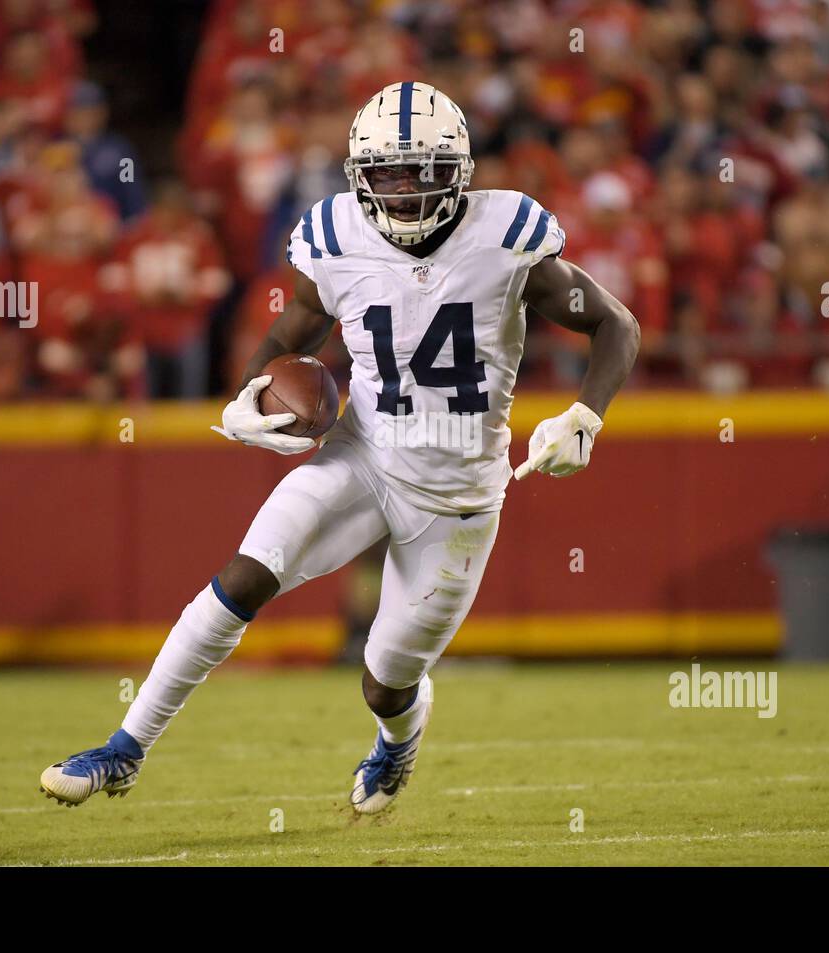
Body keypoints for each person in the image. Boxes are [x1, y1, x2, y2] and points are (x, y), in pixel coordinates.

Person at [40, 83, 641, 814]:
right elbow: (294, 327)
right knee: (244, 578)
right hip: (365, 451)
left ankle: (397, 742)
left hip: (458, 495)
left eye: (423, 171)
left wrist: (585, 414)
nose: (407, 191)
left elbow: (616, 325)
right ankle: (124, 748)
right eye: (389, 173)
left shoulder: (507, 234)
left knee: (384, 677)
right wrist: (249, 392)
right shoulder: (335, 236)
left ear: (459, 171)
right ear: (361, 174)